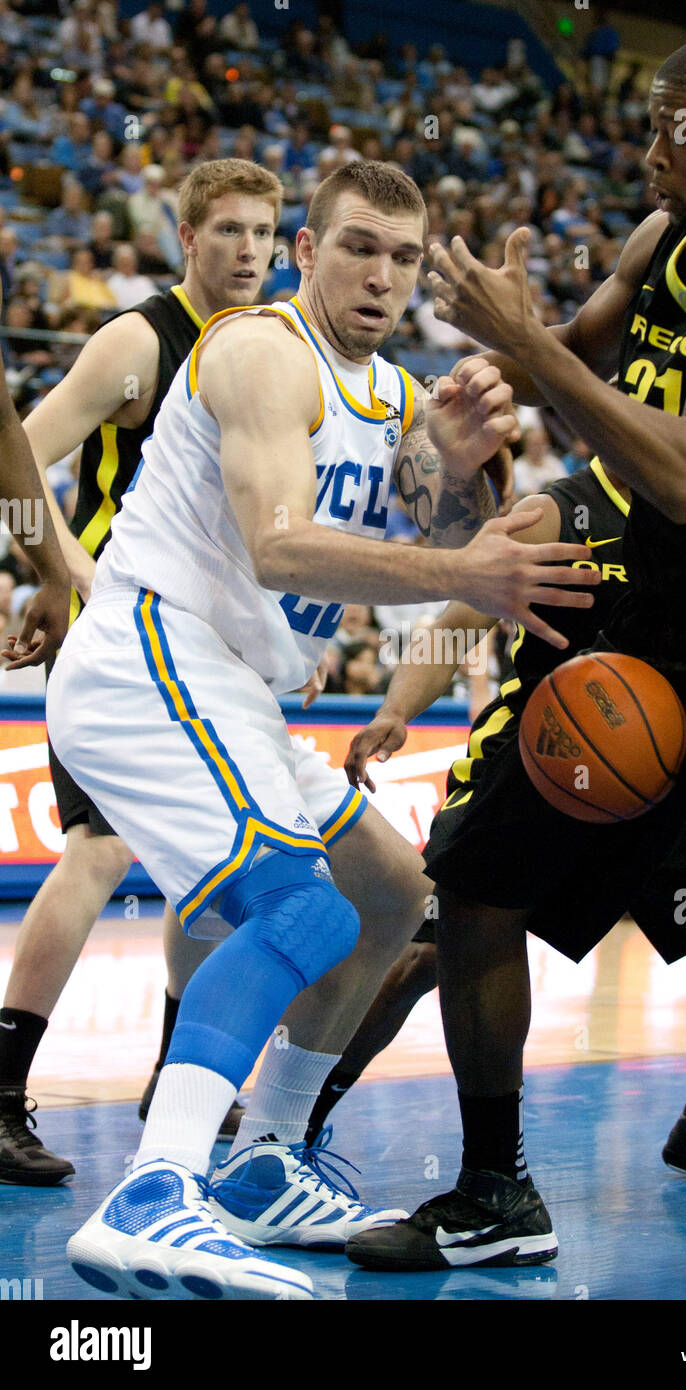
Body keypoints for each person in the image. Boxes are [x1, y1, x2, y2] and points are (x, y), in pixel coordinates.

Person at [345, 32, 686, 1270]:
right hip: (634, 634)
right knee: (471, 889)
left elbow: (683, 474)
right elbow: (567, 372)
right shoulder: (652, 247)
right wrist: (486, 390)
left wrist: (531, 354)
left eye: (668, 130)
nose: (644, 153)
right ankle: (492, 1196)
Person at [48, 159, 596, 1299]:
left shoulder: (396, 393)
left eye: (402, 256)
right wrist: (466, 569)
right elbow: (282, 547)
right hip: (152, 653)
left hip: (235, 687)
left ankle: (263, 1163)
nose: (381, 274)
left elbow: (427, 509)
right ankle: (154, 1188)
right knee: (300, 903)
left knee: (390, 888)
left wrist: (453, 471)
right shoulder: (260, 353)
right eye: (357, 247)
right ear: (304, 250)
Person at [304, 464, 686, 1184]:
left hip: (667, 776)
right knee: (432, 952)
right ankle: (300, 1114)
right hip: (549, 757)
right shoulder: (561, 513)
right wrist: (394, 711)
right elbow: (458, 624)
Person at [0, 158, 283, 1185]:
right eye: (229, 232)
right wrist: (60, 574)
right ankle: (0, 1089)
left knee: (205, 870)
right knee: (100, 853)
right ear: (185, 233)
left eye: (264, 232)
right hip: (118, 643)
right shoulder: (139, 341)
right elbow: (20, 453)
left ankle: (177, 1080)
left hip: (201, 652)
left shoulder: (266, 349)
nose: (248, 251)